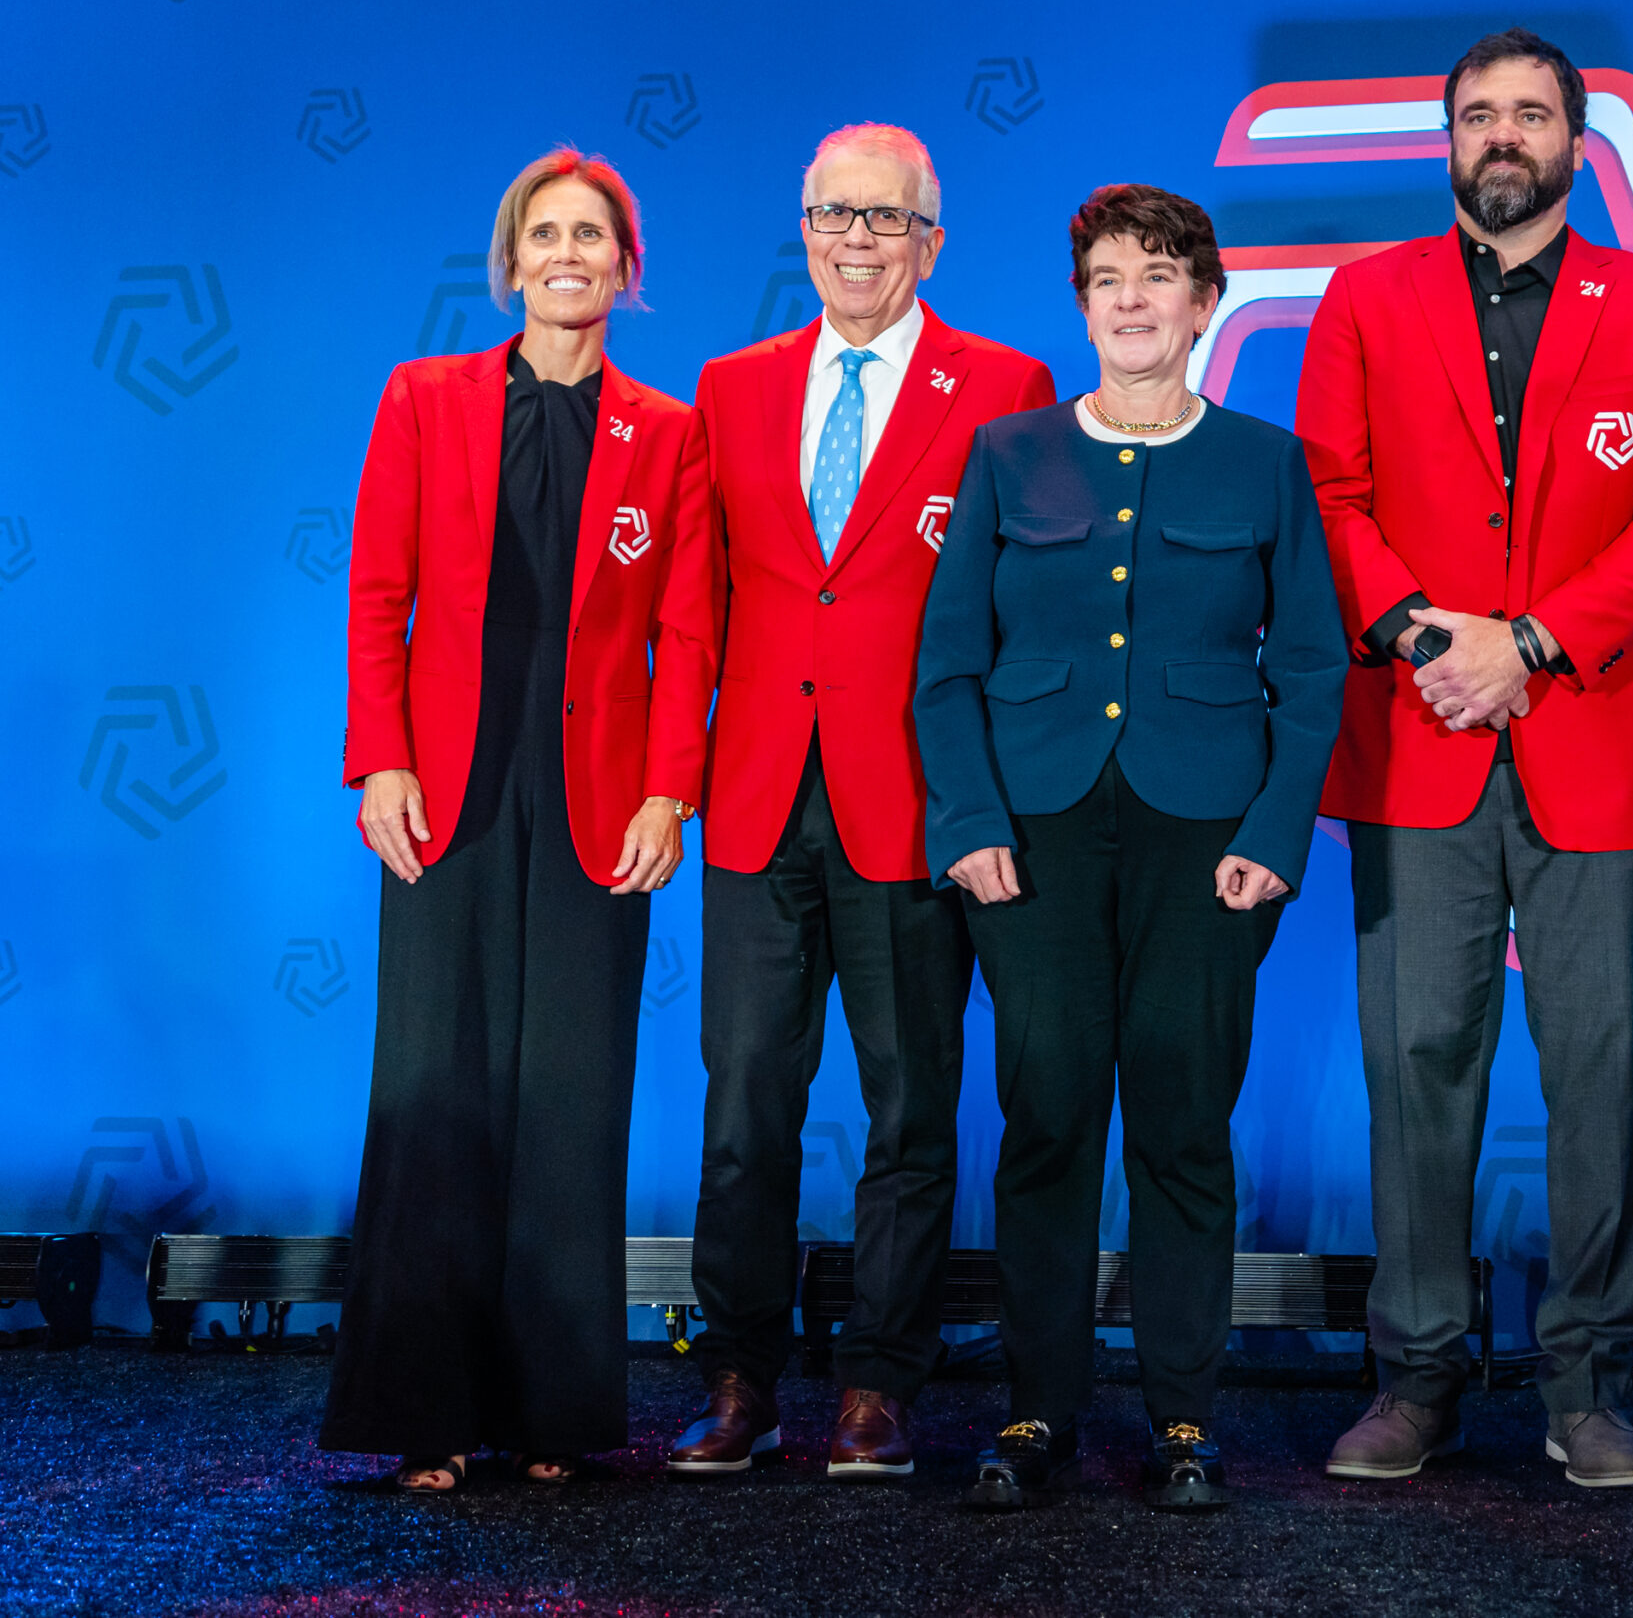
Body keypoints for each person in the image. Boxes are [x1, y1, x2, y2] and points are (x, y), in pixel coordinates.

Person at [1296, 29, 1633, 1490]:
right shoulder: (1366, 298)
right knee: (1415, 1064)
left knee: (1600, 1072)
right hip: (1421, 740)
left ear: (1577, 141)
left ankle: (1589, 1379)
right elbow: (1330, 493)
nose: (1502, 135)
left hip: (1594, 740)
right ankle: (1415, 1376)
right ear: (1447, 138)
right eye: (1478, 114)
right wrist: (1433, 637)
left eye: (1529, 114)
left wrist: (1530, 643)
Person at [913, 185, 1346, 1510]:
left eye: (1161, 276)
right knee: (1045, 1118)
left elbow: (1319, 667)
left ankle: (1180, 1420)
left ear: (1206, 301)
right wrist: (971, 824)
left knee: (1180, 1120)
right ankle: (1037, 1414)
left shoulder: (1267, 463)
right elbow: (945, 669)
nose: (1135, 299)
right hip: (1034, 838)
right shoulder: (1007, 452)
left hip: (1204, 837)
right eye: (1109, 278)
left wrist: (1276, 834)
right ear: (1082, 302)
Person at [322, 148, 714, 1491]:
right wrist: (380, 760)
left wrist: (672, 787)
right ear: (509, 260)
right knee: (434, 1089)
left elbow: (686, 627)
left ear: (626, 267)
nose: (566, 254)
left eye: (591, 236)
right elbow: (377, 593)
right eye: (543, 233)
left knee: (570, 1099)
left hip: (602, 806)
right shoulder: (425, 398)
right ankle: (424, 1411)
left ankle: (551, 1414)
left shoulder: (669, 433)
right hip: (444, 793)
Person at [669, 124, 1055, 1480]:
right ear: (804, 226)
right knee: (744, 1107)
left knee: (910, 1110)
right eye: (833, 214)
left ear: (930, 241)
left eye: (884, 220)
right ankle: (736, 1376)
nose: (855, 240)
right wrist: (675, 781)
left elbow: (1031, 618)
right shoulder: (729, 387)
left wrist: (1004, 804)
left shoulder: (1010, 386)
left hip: (918, 807)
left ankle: (878, 1388)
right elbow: (697, 612)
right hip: (759, 799)